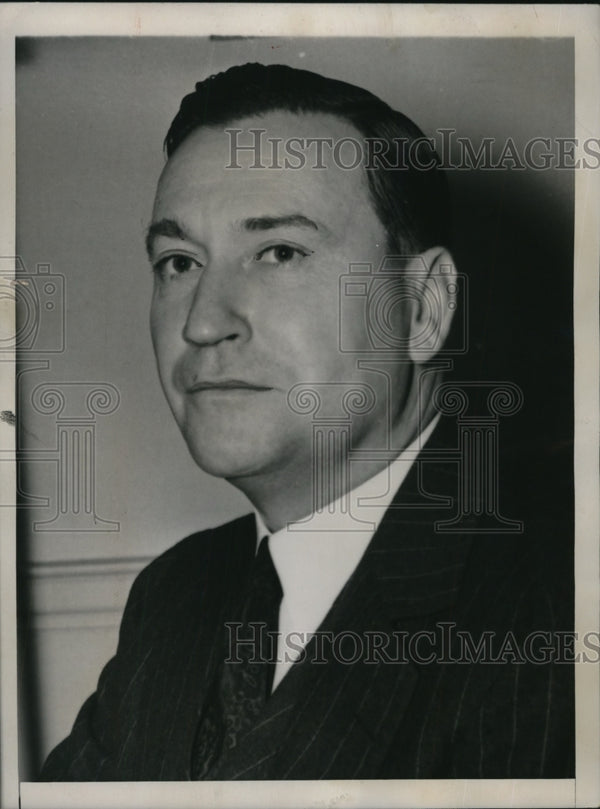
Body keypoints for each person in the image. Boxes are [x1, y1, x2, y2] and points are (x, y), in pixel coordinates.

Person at [39, 62, 573, 781]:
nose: (202, 323)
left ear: (423, 308)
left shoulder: (556, 599)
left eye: (280, 252)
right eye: (179, 262)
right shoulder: (177, 592)